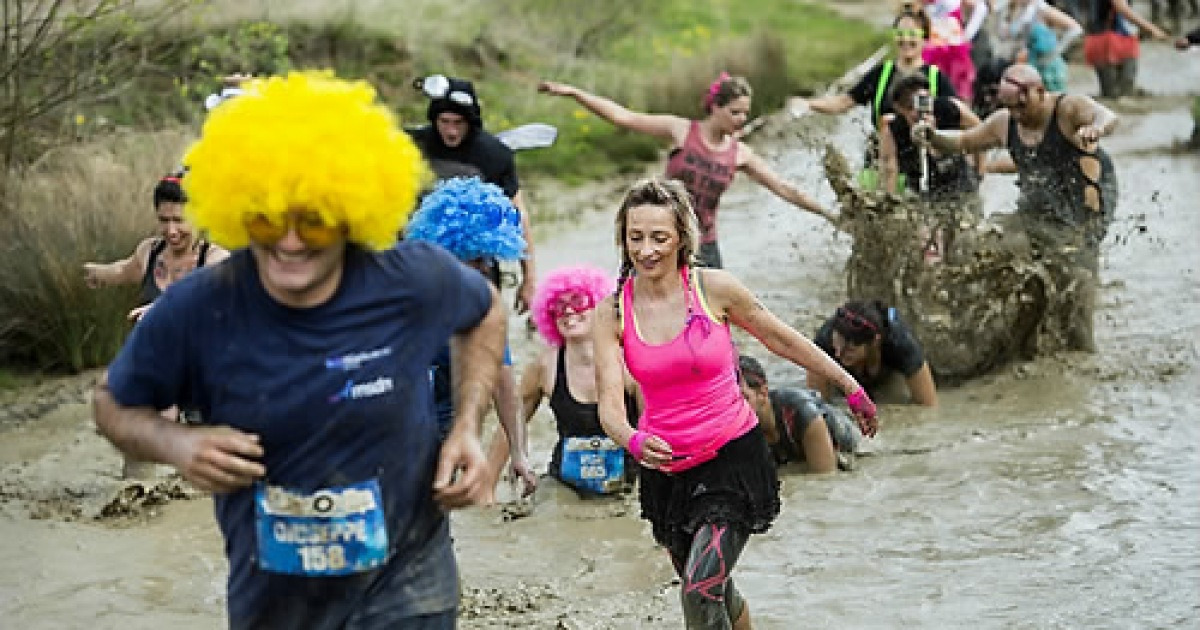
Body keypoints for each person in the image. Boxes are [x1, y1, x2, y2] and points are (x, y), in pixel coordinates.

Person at [93, 71, 507, 629]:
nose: (289, 242)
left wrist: (465, 428)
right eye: (268, 218)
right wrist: (176, 444)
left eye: (312, 221)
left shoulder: (409, 278)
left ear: (351, 211)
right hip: (276, 600)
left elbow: (485, 313)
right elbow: (112, 403)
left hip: (407, 585)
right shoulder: (202, 306)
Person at [592, 177, 878, 629]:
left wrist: (848, 385)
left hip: (731, 458)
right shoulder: (611, 314)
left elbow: (782, 338)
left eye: (659, 238)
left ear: (683, 238)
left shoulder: (715, 290)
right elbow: (609, 404)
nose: (646, 250)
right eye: (635, 237)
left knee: (698, 591)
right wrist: (631, 439)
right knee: (714, 590)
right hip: (666, 471)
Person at [912, 63, 1119, 350]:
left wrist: (1096, 128)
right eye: (1011, 108)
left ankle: (1080, 351)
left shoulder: (1068, 108)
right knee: (992, 247)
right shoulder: (1004, 122)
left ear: (1040, 92)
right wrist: (932, 137)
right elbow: (965, 141)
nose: (1018, 115)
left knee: (1076, 273)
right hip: (1039, 200)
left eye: (1022, 106)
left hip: (1086, 200)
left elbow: (1106, 114)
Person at [538, 74, 835, 269]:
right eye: (735, 112)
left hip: (703, 246)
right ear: (714, 108)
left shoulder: (740, 154)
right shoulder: (681, 131)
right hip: (657, 240)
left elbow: (784, 188)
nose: (741, 119)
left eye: (745, 112)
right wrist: (574, 93)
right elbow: (624, 118)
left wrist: (829, 214)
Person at [404, 176, 538, 497]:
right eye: (472, 259)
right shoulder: (407, 287)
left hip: (448, 414)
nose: (481, 269)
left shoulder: (481, 302)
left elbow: (503, 379)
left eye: (487, 259)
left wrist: (519, 451)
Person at [484, 264, 641, 498]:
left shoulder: (631, 362)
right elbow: (511, 423)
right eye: (559, 306)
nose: (568, 312)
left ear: (599, 307)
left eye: (578, 301)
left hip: (628, 485)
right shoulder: (543, 367)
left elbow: (657, 425)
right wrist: (486, 488)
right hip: (566, 485)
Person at [406, 74, 538, 313]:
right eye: (445, 121)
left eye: (458, 123)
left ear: (470, 122)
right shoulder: (413, 147)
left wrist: (529, 279)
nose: (451, 131)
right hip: (420, 265)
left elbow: (517, 214)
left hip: (479, 268)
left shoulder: (492, 154)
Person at [83, 172, 229, 322]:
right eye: (164, 220)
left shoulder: (216, 260)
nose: (171, 231)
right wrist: (96, 273)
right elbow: (122, 270)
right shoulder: (149, 252)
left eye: (179, 221)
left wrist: (159, 310)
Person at [792, 9, 958, 130]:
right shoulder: (881, 74)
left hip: (921, 159)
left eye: (912, 33)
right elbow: (843, 102)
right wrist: (808, 104)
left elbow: (958, 116)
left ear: (925, 38)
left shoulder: (937, 78)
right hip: (880, 158)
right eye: (900, 33)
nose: (906, 39)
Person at [737, 355, 861, 473]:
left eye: (742, 399)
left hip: (852, 443)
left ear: (763, 393)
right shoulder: (735, 430)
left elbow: (826, 479)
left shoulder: (802, 414)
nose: (734, 409)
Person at [808, 300, 939, 406]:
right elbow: (817, 404)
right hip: (845, 380)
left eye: (850, 350)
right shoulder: (824, 340)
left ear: (874, 342)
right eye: (836, 347)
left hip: (886, 374)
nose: (838, 354)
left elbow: (928, 404)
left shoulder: (900, 343)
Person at [1083, 0, 1169, 99]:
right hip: (1114, 41)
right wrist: (1152, 29)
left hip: (1097, 40)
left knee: (1110, 94)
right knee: (1124, 92)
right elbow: (1123, 9)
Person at [920, 0, 987, 102]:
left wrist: (965, 36)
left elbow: (980, 9)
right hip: (934, 50)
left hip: (955, 52)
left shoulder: (972, 7)